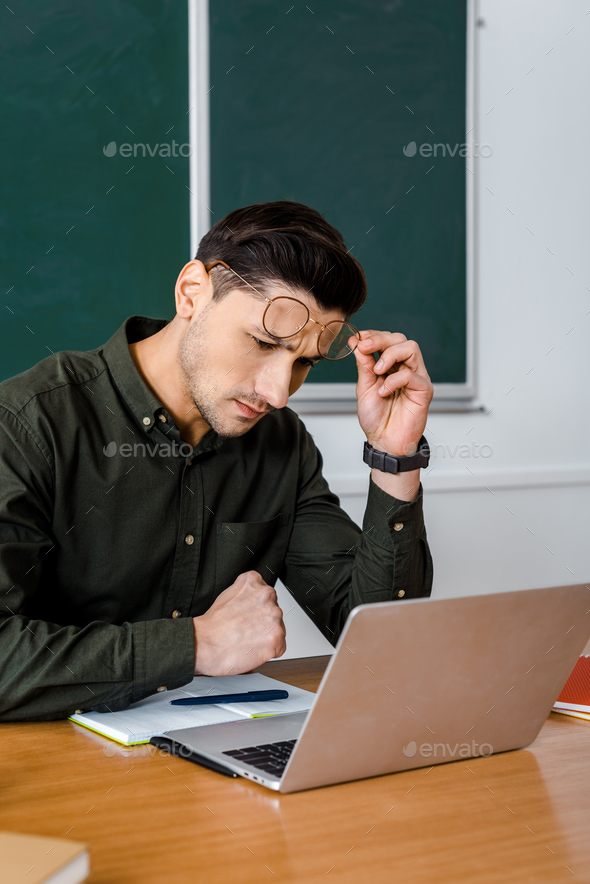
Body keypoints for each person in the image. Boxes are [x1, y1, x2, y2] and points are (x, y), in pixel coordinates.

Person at [0, 200, 433, 721]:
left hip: (219, 769)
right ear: (192, 293)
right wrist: (195, 645)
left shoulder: (280, 443)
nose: (278, 392)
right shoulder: (26, 425)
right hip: (54, 775)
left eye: (303, 364)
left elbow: (377, 642)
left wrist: (395, 456)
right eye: (262, 342)